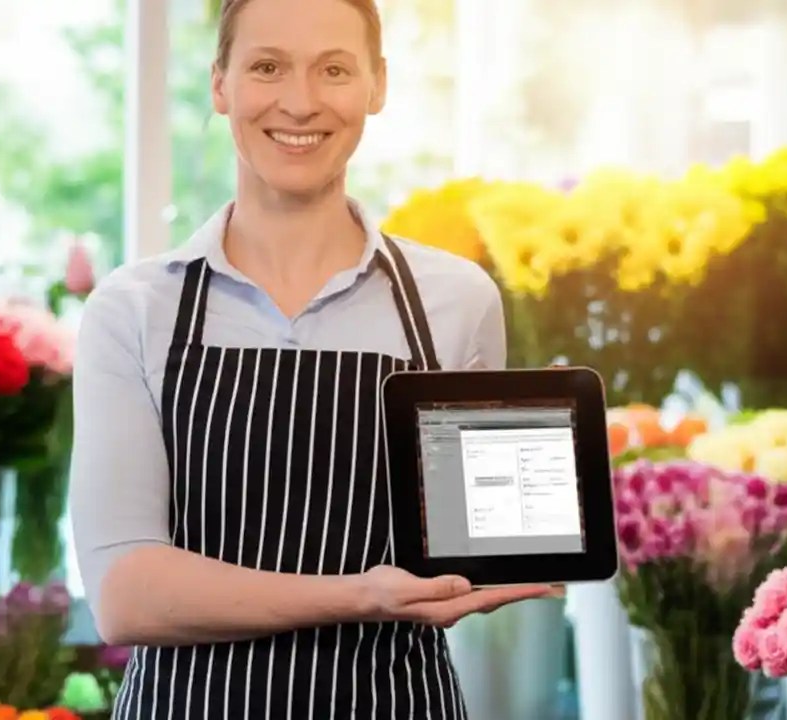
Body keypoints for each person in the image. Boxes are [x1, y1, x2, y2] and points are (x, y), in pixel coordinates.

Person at [68, 0, 560, 717]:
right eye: (267, 66)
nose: (300, 102)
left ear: (376, 86)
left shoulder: (456, 300)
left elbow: (467, 553)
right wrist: (362, 595)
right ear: (220, 85)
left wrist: (545, 487)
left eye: (333, 70)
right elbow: (125, 594)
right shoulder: (136, 307)